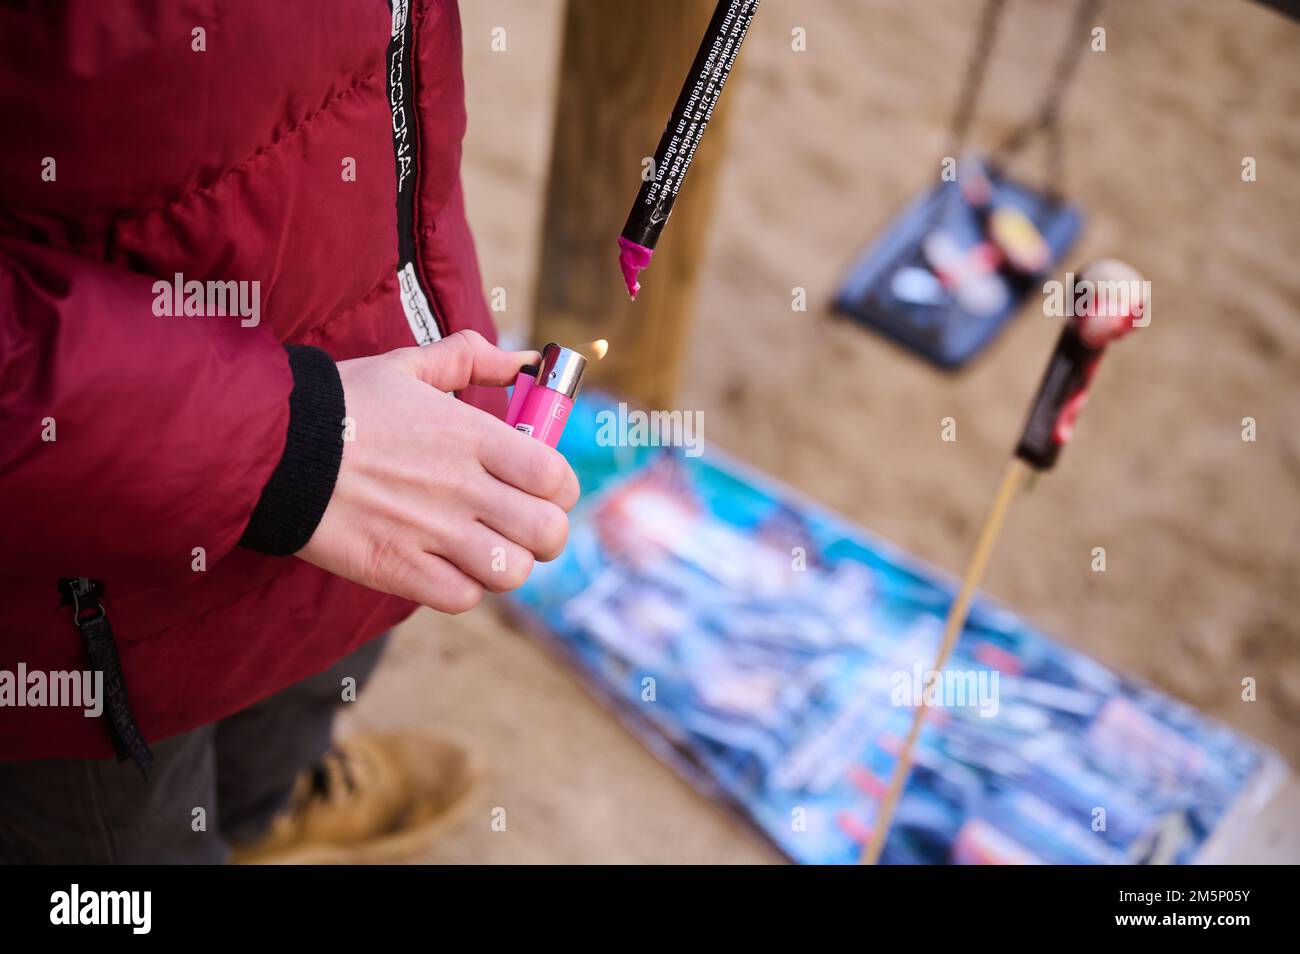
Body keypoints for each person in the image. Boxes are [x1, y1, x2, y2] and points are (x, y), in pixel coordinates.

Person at [0, 1, 578, 863]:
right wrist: (289, 444)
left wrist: (318, 441)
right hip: (77, 591)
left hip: (368, 392)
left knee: (300, 667)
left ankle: (267, 815)